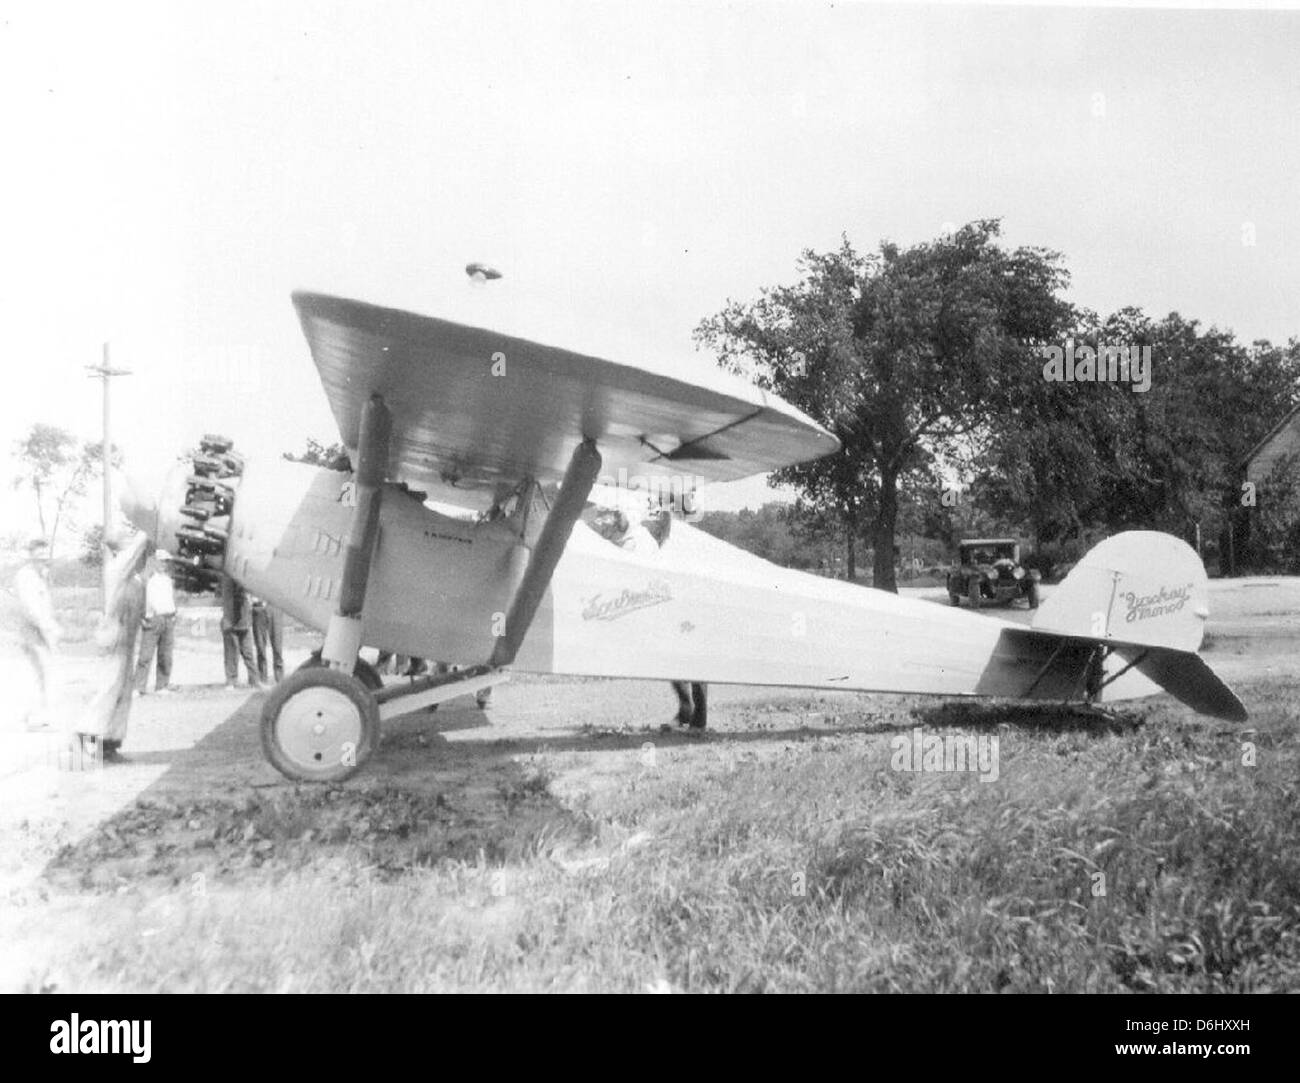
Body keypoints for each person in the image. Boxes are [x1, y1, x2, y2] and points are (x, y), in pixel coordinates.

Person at [75, 532, 148, 761]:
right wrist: (148, 526)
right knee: (108, 687)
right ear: (120, 549)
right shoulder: (116, 568)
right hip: (114, 635)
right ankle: (87, 738)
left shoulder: (135, 578)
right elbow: (137, 546)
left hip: (126, 637)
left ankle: (110, 743)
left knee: (122, 690)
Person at [0, 538, 62, 730]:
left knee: (42, 670)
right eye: (39, 553)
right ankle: (36, 716)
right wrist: (47, 628)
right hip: (32, 630)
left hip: (41, 629)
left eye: (45, 552)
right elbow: (31, 607)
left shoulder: (41, 574)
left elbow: (46, 605)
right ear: (31, 554)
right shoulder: (25, 576)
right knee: (39, 670)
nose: (43, 556)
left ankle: (34, 714)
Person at [134, 549, 177, 695]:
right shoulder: (147, 579)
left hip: (167, 618)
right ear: (156, 561)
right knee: (145, 656)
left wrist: (173, 615)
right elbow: (141, 599)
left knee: (166, 656)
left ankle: (162, 686)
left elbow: (171, 599)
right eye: (162, 561)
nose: (164, 564)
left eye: (166, 561)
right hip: (153, 619)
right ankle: (138, 687)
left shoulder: (168, 580)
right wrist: (143, 617)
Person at [220, 573, 262, 689]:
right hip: (231, 622)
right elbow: (237, 596)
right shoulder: (230, 578)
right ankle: (231, 681)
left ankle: (254, 680)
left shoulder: (241, 579)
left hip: (243, 621)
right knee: (232, 654)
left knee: (248, 653)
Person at [250, 596, 285, 683]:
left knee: (277, 647)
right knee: (260, 648)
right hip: (258, 608)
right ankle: (262, 679)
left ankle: (280, 679)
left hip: (275, 607)